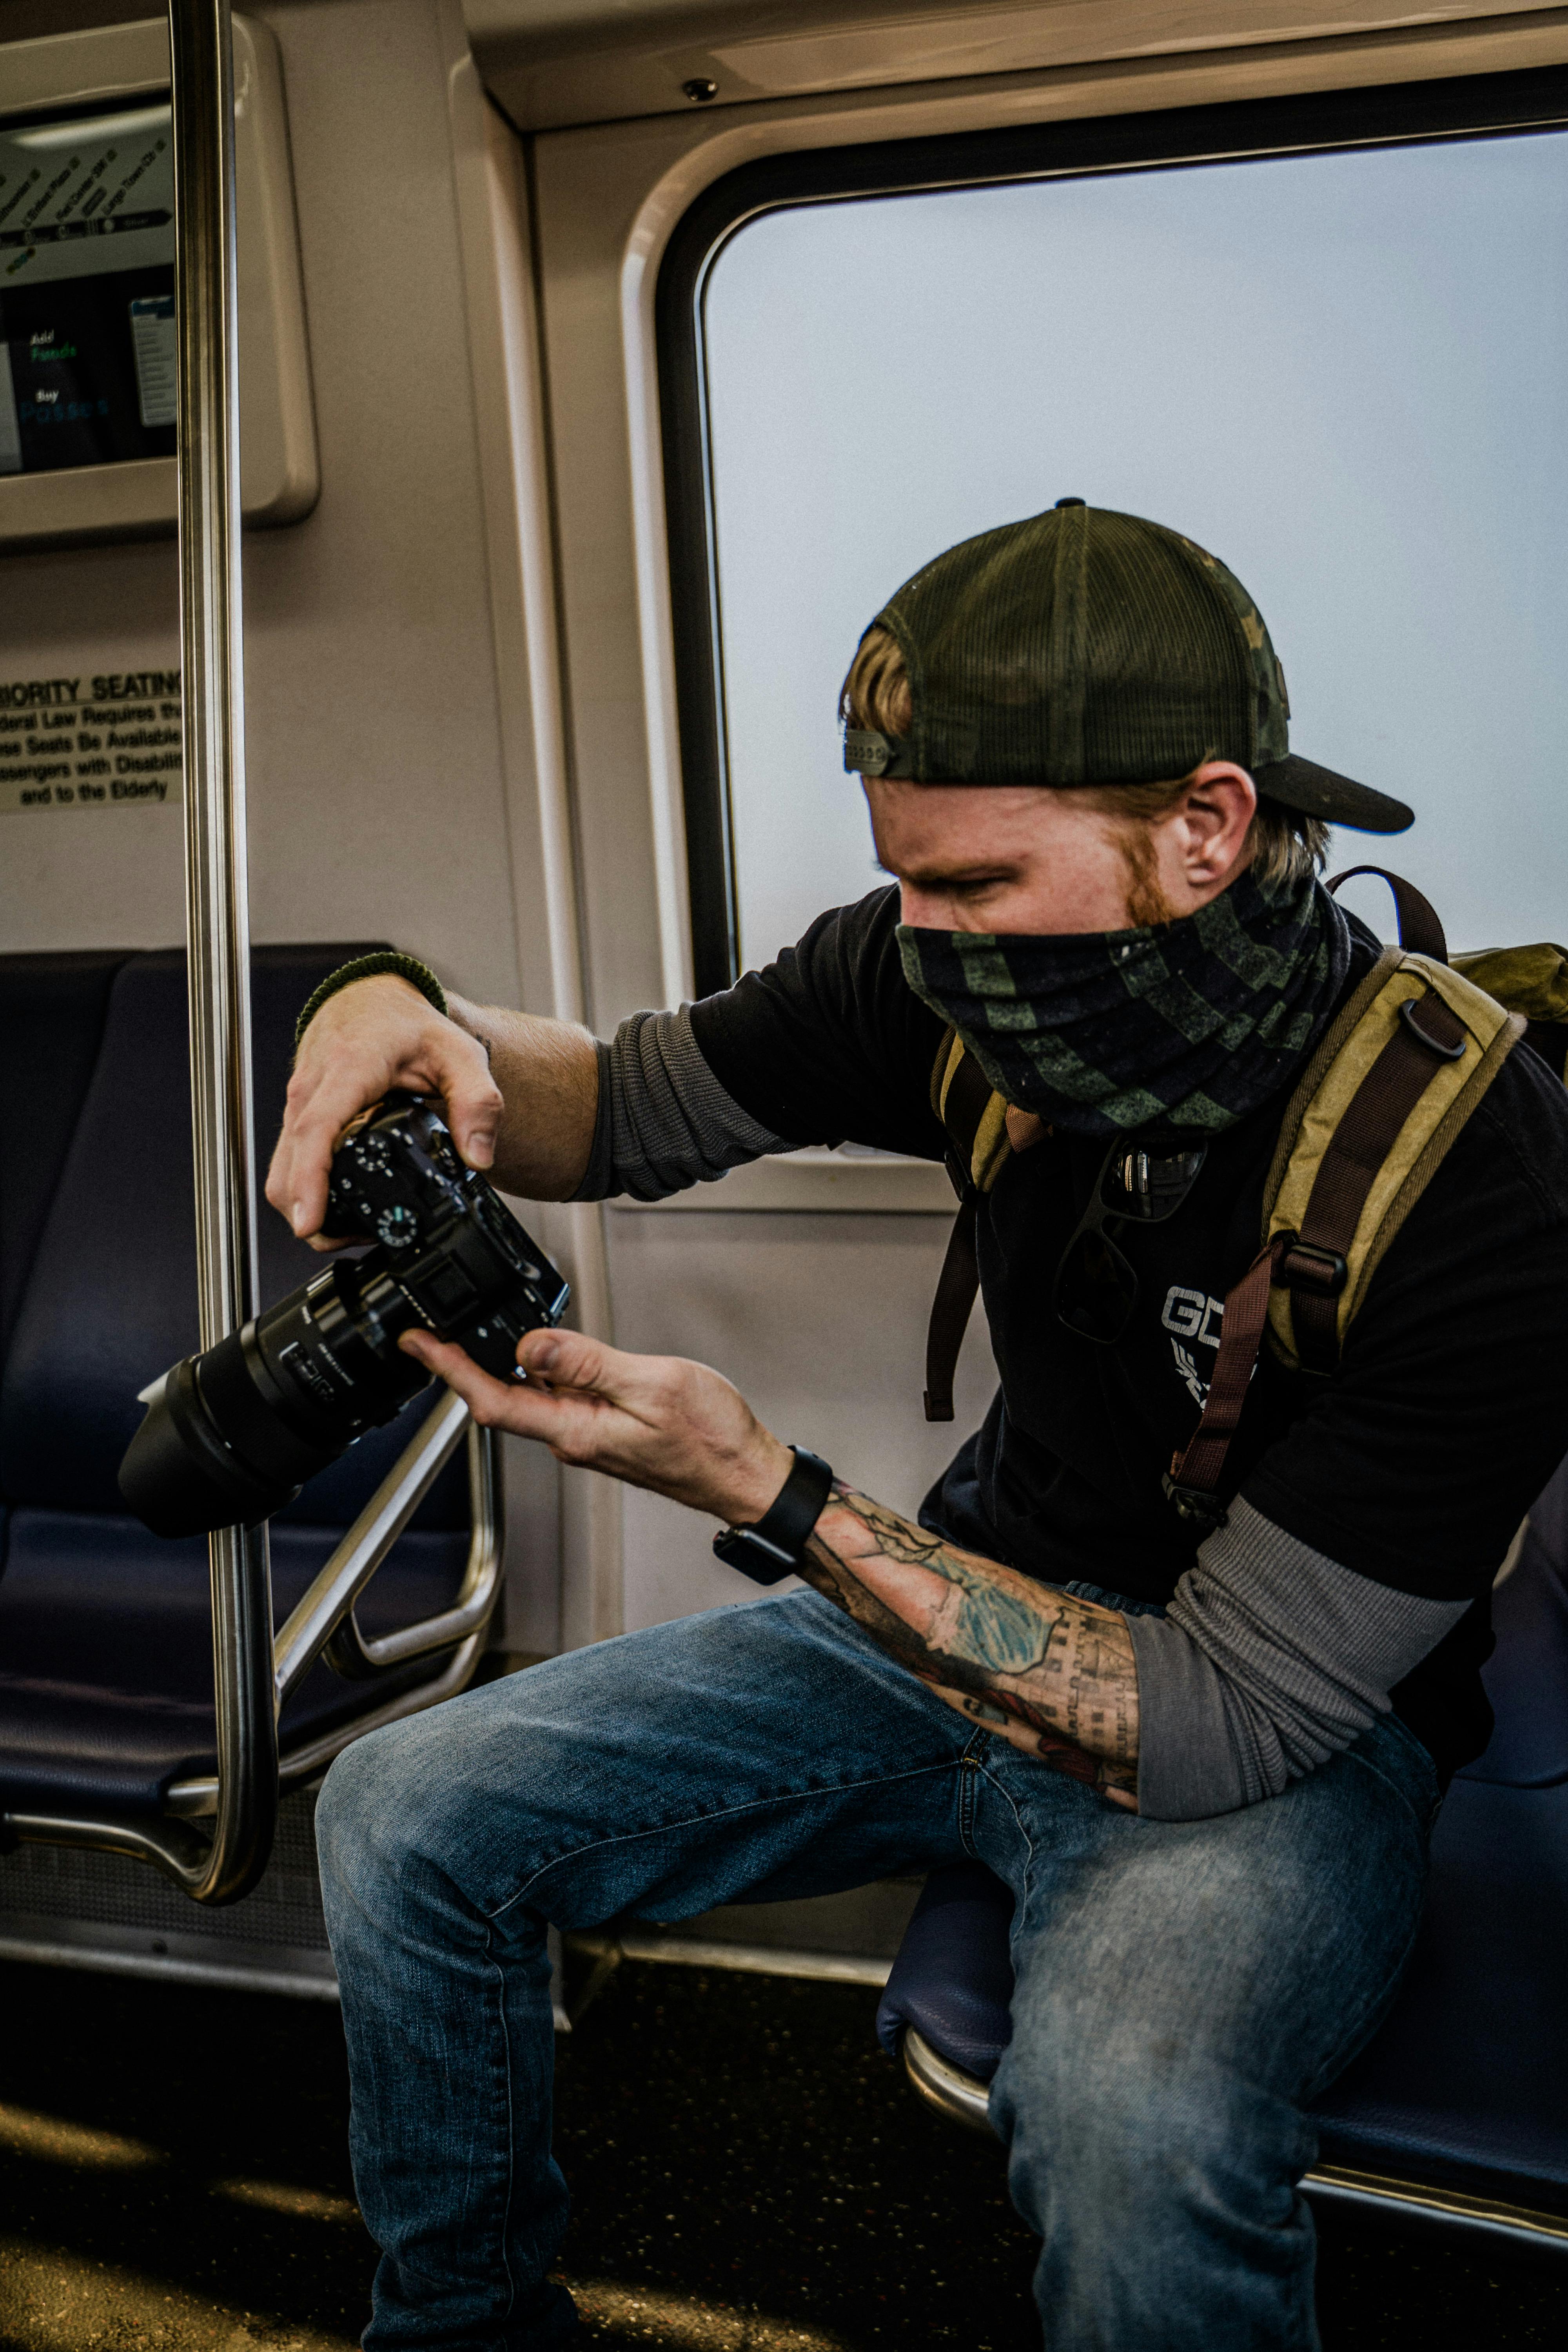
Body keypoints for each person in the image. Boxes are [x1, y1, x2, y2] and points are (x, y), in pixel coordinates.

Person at [275, 502, 1568, 2350]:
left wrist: (767, 1490)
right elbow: (618, 1106)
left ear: (1204, 828)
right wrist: (408, 1016)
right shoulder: (932, 974)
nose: (925, 937)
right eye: (906, 882)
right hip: (954, 1611)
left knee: (1130, 2125)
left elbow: (1213, 1718)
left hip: (1281, 1743)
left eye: (976, 884)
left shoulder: (1475, 1170)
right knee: (403, 1812)